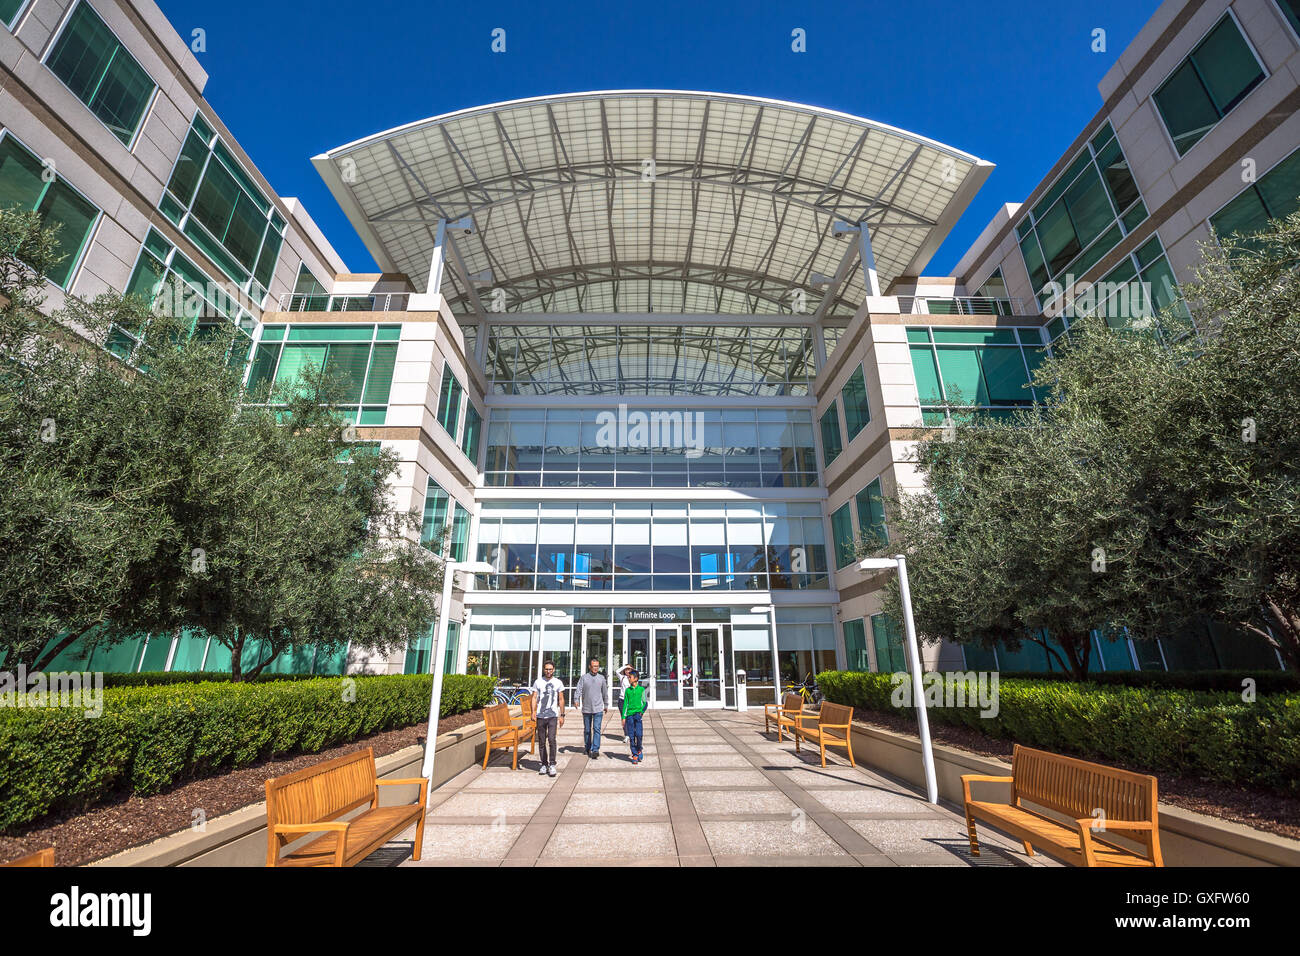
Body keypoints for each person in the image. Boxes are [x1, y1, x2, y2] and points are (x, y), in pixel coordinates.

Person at [530, 659, 565, 777]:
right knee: (541, 740)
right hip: (540, 715)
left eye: (550, 669)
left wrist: (562, 715)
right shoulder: (538, 682)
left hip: (552, 716)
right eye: (546, 669)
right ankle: (544, 764)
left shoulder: (558, 682)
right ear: (543, 669)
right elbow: (534, 697)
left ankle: (552, 764)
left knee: (551, 739)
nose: (548, 671)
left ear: (554, 670)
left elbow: (561, 699)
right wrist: (533, 712)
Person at [574, 657, 607, 759]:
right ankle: (588, 747)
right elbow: (578, 689)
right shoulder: (584, 678)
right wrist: (576, 699)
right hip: (587, 709)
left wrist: (606, 704)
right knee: (587, 730)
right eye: (593, 666)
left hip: (598, 709)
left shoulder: (601, 678)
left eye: (597, 666)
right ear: (590, 667)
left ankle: (595, 749)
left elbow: (605, 692)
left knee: (597, 729)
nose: (595, 668)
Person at [621, 669, 648, 764]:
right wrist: (623, 717)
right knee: (631, 736)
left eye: (630, 677)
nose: (628, 678)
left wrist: (641, 712)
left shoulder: (641, 690)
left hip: (638, 715)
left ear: (636, 678)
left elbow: (645, 703)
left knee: (639, 734)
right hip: (629, 716)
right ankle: (635, 754)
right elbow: (625, 704)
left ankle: (639, 748)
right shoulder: (627, 691)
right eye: (628, 677)